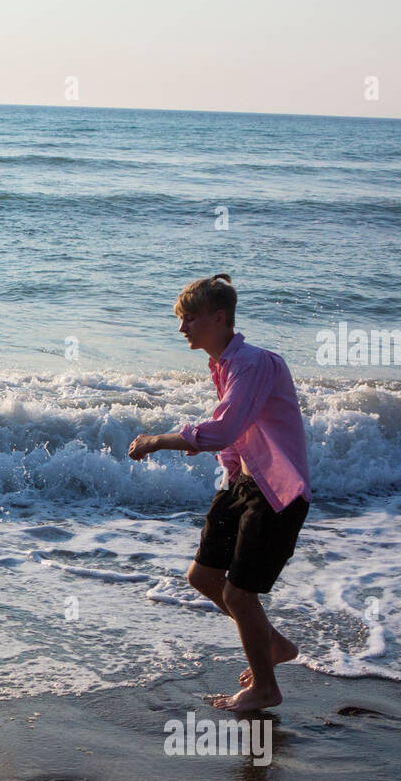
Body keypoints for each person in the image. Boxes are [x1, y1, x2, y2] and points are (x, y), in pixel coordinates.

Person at [128, 274, 311, 712]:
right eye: (180, 320)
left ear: (219, 317)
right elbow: (237, 432)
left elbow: (226, 426)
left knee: (238, 594)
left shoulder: (252, 363)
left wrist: (160, 440)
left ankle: (266, 689)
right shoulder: (225, 366)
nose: (182, 329)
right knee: (203, 577)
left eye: (189, 319)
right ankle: (274, 645)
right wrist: (223, 465)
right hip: (242, 484)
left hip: (275, 492)